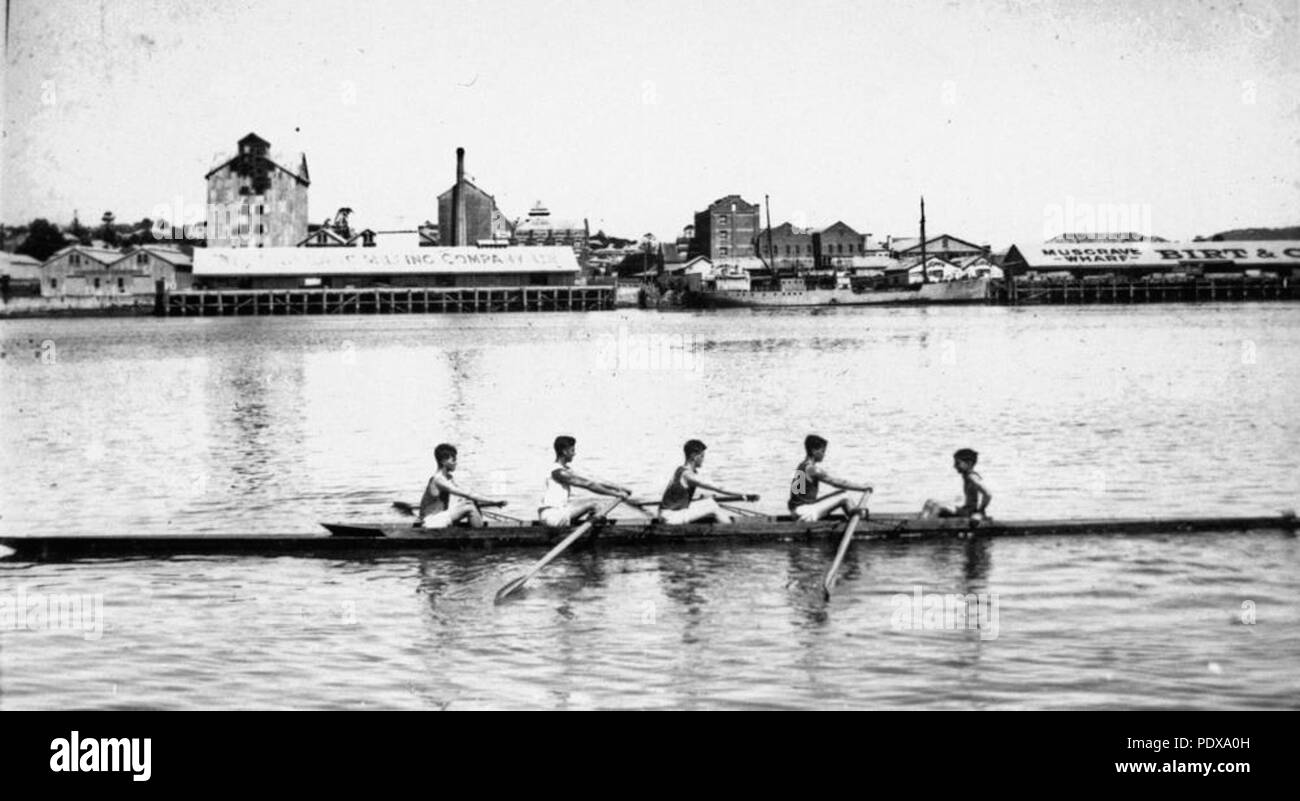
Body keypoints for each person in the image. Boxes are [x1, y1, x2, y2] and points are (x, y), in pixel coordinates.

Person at [538, 435, 634, 527]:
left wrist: (619, 488)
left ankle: (590, 525)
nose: (574, 454)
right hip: (552, 517)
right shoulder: (559, 473)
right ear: (565, 452)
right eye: (572, 450)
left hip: (558, 513)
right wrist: (616, 494)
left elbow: (592, 481)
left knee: (595, 508)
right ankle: (594, 532)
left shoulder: (565, 470)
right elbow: (589, 485)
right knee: (595, 505)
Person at [658, 439, 757, 525]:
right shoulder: (688, 476)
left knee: (709, 502)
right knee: (713, 507)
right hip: (670, 519)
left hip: (665, 514)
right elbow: (720, 489)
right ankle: (734, 532)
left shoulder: (680, 470)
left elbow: (679, 496)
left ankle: (727, 525)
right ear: (694, 456)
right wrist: (745, 495)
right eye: (702, 456)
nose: (703, 460)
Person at [418, 443, 507, 528]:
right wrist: (493, 501)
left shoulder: (448, 477)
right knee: (469, 507)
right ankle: (480, 536)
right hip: (431, 522)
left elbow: (465, 493)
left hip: (439, 519)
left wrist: (471, 500)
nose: (456, 463)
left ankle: (479, 530)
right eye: (453, 460)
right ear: (443, 461)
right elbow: (467, 494)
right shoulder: (439, 480)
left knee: (470, 502)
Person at [788, 434, 873, 522]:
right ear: (813, 451)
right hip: (805, 513)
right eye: (822, 451)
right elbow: (837, 482)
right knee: (844, 496)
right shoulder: (812, 469)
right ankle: (859, 523)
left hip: (795, 512)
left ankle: (856, 518)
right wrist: (862, 487)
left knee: (840, 495)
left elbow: (795, 499)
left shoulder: (801, 466)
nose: (824, 454)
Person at [921, 448, 992, 519]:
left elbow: (988, 493)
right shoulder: (967, 476)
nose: (954, 466)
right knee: (930, 502)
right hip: (966, 510)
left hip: (969, 513)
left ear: (969, 464)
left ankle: (923, 525)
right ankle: (922, 522)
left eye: (958, 463)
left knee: (937, 506)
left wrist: (980, 511)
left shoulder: (972, 477)